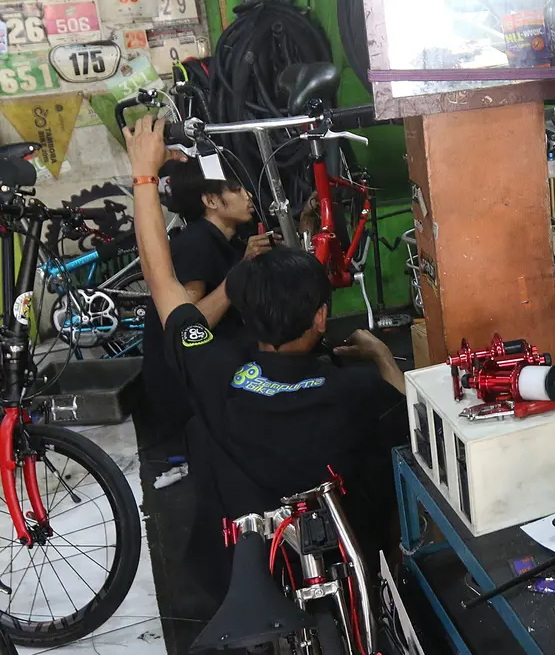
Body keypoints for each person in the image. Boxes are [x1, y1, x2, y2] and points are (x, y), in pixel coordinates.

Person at [125, 116, 407, 601]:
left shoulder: (216, 372)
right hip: (346, 567)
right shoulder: (354, 391)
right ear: (321, 318)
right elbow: (413, 436)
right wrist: (382, 356)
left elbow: (161, 284)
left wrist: (144, 178)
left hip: (240, 582)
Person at [142, 160, 273, 442]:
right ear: (211, 200)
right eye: (237, 189)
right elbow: (188, 326)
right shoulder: (196, 244)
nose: (248, 195)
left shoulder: (229, 240)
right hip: (184, 393)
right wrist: (240, 272)